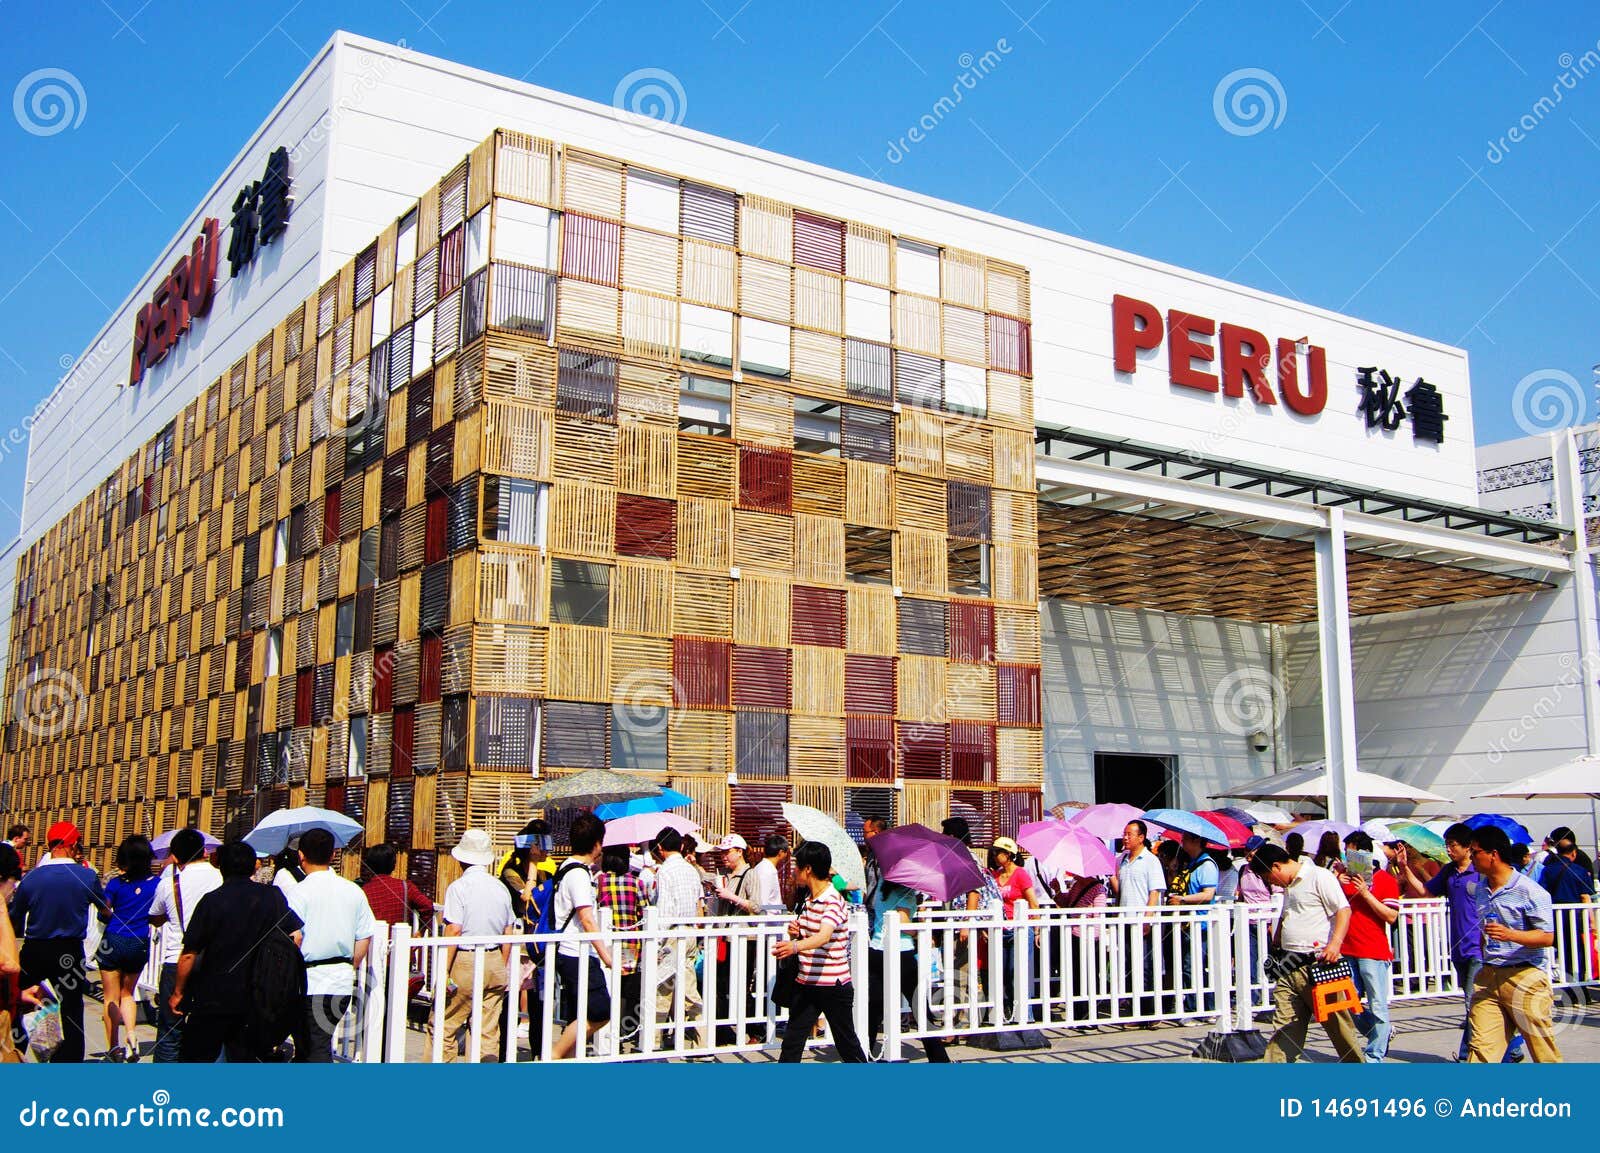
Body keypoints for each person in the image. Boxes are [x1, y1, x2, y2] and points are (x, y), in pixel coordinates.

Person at [170, 839, 303, 1063]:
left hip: (213, 996)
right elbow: (295, 935)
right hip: (258, 996)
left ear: (221, 867)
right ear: (254, 866)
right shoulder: (272, 897)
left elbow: (189, 954)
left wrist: (178, 992)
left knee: (195, 1058)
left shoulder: (211, 901)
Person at [1404, 821, 1526, 1063]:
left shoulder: (1482, 872)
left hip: (1479, 948)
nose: (1449, 850)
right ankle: (1512, 1047)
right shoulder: (1449, 872)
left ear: (1468, 847)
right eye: (1447, 845)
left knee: (1475, 1006)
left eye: (1453, 845)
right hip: (1458, 947)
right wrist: (1405, 867)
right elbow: (1427, 892)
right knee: (1475, 1005)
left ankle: (1467, 1055)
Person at [1249, 843, 1364, 1063]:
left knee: (1339, 1027)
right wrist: (1278, 936)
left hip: (1320, 964)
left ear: (1276, 867)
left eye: (1268, 877)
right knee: (1284, 1026)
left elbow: (1343, 910)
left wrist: (1334, 944)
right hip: (1288, 964)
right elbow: (1288, 915)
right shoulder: (1289, 885)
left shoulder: (1319, 876)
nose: (1270, 883)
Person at [7, 820, 106, 1062]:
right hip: (69, 951)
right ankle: (67, 1065)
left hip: (35, 948)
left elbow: (15, 917)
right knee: (71, 1009)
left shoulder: (32, 878)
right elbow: (105, 911)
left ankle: (15, 1053)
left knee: (19, 1003)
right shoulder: (86, 876)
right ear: (72, 846)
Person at [1465, 825, 1562, 1062]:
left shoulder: (1530, 891)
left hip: (1525, 977)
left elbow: (1547, 937)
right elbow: (1484, 930)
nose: (1471, 858)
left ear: (1493, 854)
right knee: (1480, 1053)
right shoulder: (1481, 889)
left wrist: (1510, 935)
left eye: (1475, 852)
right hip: (1489, 976)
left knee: (1543, 1053)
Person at [285, 827, 375, 1062]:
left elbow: (292, 937)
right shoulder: (353, 891)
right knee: (313, 1046)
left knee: (314, 1049)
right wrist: (350, 965)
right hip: (341, 981)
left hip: (308, 982)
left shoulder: (298, 892)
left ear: (301, 856)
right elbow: (364, 935)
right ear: (333, 855)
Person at [775, 840, 868, 1063]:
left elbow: (824, 936)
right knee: (792, 1043)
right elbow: (811, 936)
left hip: (833, 985)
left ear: (808, 869)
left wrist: (794, 946)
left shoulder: (833, 900)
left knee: (847, 1043)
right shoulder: (808, 900)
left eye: (797, 866)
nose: (794, 870)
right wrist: (796, 933)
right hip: (806, 982)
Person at [431, 828, 517, 1062]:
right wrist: (502, 963)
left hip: (465, 959)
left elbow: (454, 929)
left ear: (460, 859)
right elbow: (508, 930)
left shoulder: (458, 888)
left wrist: (443, 971)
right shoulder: (500, 888)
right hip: (495, 959)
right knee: (487, 1030)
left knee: (444, 1023)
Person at [146, 828, 222, 1063]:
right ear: (205, 851)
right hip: (212, 962)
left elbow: (155, 916)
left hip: (175, 960)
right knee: (207, 1029)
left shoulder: (170, 882)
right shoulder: (220, 878)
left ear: (176, 857)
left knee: (170, 1029)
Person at [549, 813, 614, 1059]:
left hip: (568, 951)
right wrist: (605, 955)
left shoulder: (566, 866)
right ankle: (554, 1055)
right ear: (597, 843)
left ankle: (565, 1058)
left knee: (581, 1013)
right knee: (600, 1012)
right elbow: (586, 918)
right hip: (577, 952)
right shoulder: (578, 874)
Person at [865, 879, 949, 1062]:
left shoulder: (881, 885)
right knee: (919, 1005)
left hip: (877, 948)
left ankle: (864, 1052)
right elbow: (903, 923)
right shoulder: (906, 891)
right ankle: (939, 1058)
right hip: (901, 951)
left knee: (874, 1007)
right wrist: (920, 930)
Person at [1335, 832, 1399, 1062]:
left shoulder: (1385, 880)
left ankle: (1374, 1056)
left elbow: (1391, 916)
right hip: (1347, 949)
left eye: (1351, 852)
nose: (1347, 857)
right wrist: (1335, 880)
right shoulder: (1343, 879)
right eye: (1346, 853)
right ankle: (1380, 1034)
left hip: (1373, 951)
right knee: (1347, 1005)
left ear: (1364, 853)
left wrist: (1365, 893)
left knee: (1378, 1005)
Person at [96, 833, 158, 1062]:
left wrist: (109, 915)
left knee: (110, 997)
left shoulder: (115, 884)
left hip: (114, 938)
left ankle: (113, 1047)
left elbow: (104, 909)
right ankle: (132, 1037)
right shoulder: (156, 885)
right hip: (138, 941)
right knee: (128, 994)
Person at [649, 828, 706, 1050]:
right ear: (681, 846)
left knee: (661, 990)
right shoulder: (691, 870)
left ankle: (653, 1042)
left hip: (671, 934)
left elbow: (664, 910)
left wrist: (657, 943)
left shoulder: (664, 872)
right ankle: (702, 1040)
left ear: (660, 849)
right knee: (689, 989)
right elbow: (697, 904)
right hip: (690, 931)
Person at [1109, 819, 1166, 1016]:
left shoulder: (1151, 861)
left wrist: (1147, 919)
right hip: (1125, 920)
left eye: (1129, 834)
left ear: (1141, 838)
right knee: (1128, 965)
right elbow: (1121, 891)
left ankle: (1147, 1012)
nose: (1125, 838)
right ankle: (1134, 1007)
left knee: (1144, 966)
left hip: (1141, 922)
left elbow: (1155, 892)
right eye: (1124, 834)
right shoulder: (1123, 861)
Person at [595, 845, 645, 1052]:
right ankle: (621, 1032)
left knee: (606, 985)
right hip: (629, 943)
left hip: (604, 942)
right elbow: (643, 912)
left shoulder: (599, 881)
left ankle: (605, 1030)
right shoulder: (636, 883)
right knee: (625, 988)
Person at [1167, 831, 1219, 1012]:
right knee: (1189, 966)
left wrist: (1183, 900)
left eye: (1185, 840)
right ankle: (1196, 1006)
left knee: (1195, 966)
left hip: (1201, 923)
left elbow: (1208, 894)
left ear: (1196, 841)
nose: (1182, 844)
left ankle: (1200, 1008)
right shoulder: (1190, 864)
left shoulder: (1207, 865)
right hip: (1188, 923)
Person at [989, 836, 1038, 1020]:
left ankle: (1025, 1015)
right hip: (1000, 930)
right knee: (1001, 974)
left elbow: (1033, 902)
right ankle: (1007, 1013)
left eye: (997, 852)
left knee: (1017, 972)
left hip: (1018, 929)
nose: (993, 856)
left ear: (1008, 854)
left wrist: (1037, 928)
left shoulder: (1021, 874)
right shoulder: (995, 875)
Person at [360, 842, 435, 927]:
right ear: (393, 865)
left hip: (372, 938)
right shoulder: (406, 887)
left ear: (369, 866)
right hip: (402, 938)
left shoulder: (363, 891)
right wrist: (421, 930)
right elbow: (427, 906)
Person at [1538, 837, 1595, 906]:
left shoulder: (1547, 869)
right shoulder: (1580, 870)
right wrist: (1592, 916)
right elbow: (1585, 897)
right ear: (1573, 853)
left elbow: (1542, 892)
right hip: (1576, 913)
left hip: (1553, 912)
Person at [751, 835, 789, 913]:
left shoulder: (763, 867)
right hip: (767, 922)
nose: (787, 855)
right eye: (786, 852)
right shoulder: (766, 871)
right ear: (781, 853)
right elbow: (761, 904)